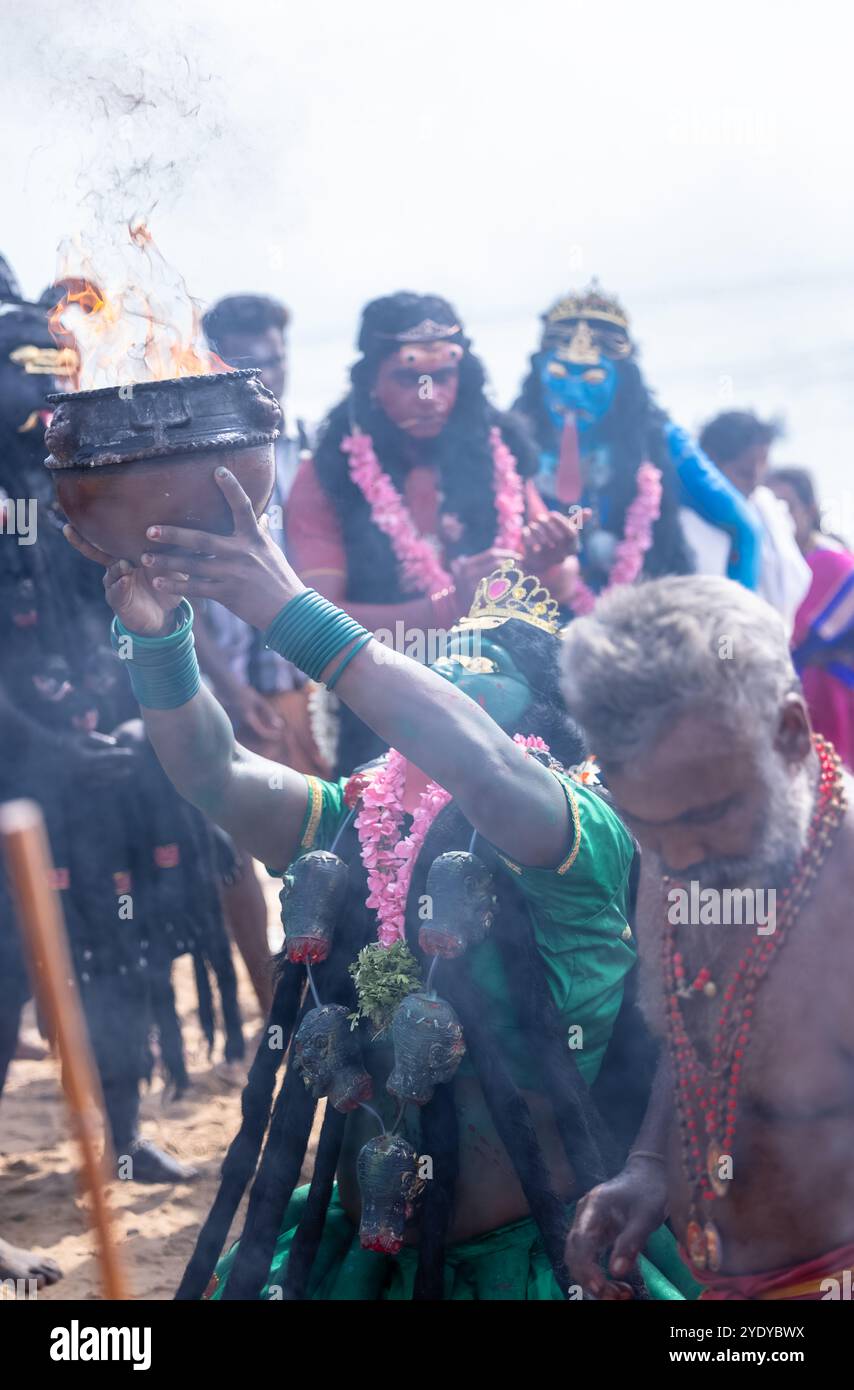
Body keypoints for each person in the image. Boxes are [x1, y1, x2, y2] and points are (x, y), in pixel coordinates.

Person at [65, 472, 698, 1302]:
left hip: (538, 1259)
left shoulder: (573, 828)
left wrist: (284, 605)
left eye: (483, 665)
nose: (453, 669)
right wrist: (159, 639)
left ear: (542, 718)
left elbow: (478, 762)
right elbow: (213, 773)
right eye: (444, 662)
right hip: (367, 1262)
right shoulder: (351, 821)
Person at [561, 575, 854, 1300]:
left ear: (788, 733)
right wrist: (651, 1165)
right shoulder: (681, 831)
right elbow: (699, 1021)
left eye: (712, 816)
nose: (683, 860)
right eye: (650, 831)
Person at [287, 291, 583, 772]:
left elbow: (561, 583)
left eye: (443, 376)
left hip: (520, 718)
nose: (430, 395)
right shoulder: (327, 472)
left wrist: (548, 558)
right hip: (388, 722)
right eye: (408, 377)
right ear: (370, 384)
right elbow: (313, 623)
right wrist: (449, 605)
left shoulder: (499, 448)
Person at [201, 293, 327, 1012]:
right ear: (215, 363)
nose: (265, 374)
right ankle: (265, 1001)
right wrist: (225, 686)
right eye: (247, 362)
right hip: (220, 683)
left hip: (297, 676)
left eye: (275, 359)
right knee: (230, 854)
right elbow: (179, 592)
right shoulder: (196, 454)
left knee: (316, 835)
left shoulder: (308, 445)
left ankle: (319, 992)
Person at [514, 282, 761, 595]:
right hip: (534, 626)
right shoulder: (510, 448)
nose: (574, 393)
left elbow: (745, 530)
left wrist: (734, 626)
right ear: (538, 371)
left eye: (593, 378)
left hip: (643, 627)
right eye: (561, 375)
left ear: (623, 381)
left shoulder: (662, 443)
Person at [767, 467, 854, 768]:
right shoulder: (777, 567)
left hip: (836, 701)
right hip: (798, 703)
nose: (778, 517)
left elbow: (790, 637)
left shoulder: (833, 561)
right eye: (771, 505)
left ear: (810, 510)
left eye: (787, 506)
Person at [699, 411, 811, 633]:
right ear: (711, 461)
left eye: (763, 466)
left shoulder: (766, 508)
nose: (755, 479)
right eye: (744, 472)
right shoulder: (693, 519)